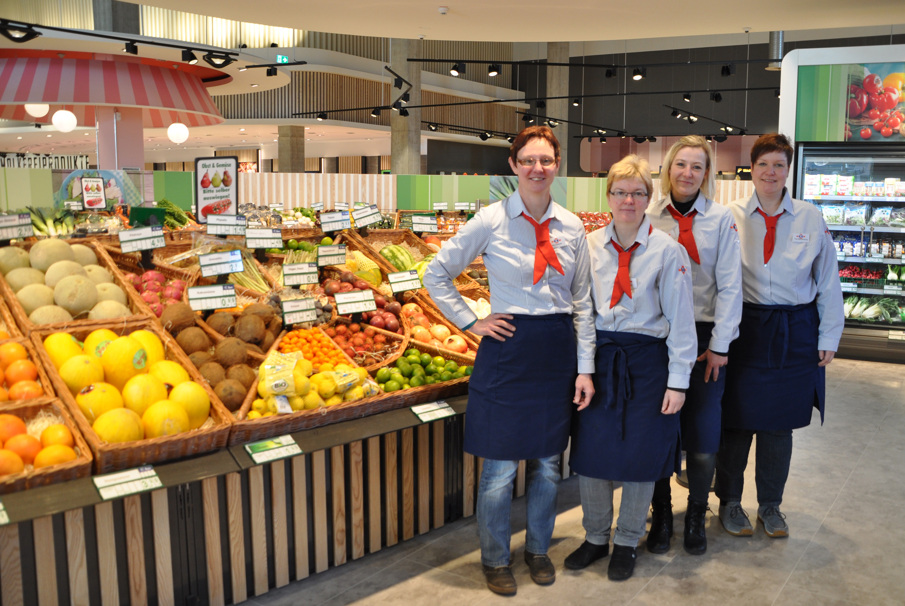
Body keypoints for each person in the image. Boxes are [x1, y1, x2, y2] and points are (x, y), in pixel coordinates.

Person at [423, 125, 596, 597]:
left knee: (546, 464)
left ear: (557, 165)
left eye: (546, 160)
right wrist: (468, 321)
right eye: (528, 161)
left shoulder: (573, 226)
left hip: (557, 350)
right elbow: (435, 272)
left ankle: (538, 550)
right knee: (499, 470)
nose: (538, 169)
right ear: (514, 166)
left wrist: (585, 367)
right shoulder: (490, 220)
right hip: (508, 350)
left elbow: (582, 302)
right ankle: (496, 557)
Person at [565, 154, 695, 582]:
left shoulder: (667, 251)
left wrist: (678, 382)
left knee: (640, 455)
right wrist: (585, 369)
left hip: (648, 362)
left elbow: (681, 321)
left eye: (637, 192)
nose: (628, 200)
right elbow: (582, 311)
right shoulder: (588, 245)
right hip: (602, 359)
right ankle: (596, 536)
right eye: (620, 192)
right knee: (592, 453)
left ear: (648, 198)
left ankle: (626, 540)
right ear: (609, 196)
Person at [716, 133, 844, 539]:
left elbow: (827, 281)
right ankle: (730, 503)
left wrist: (829, 336)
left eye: (779, 165)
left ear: (788, 171)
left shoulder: (810, 216)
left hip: (795, 331)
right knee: (735, 424)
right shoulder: (728, 215)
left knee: (779, 428)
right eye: (763, 164)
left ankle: (771, 506)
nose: (771, 172)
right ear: (751, 170)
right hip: (746, 329)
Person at [645, 135, 743, 555]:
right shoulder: (648, 215)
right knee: (659, 431)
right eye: (680, 164)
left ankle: (697, 512)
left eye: (697, 167)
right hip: (658, 336)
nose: (687, 173)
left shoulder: (721, 220)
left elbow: (731, 286)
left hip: (705, 337)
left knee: (703, 433)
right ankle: (662, 512)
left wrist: (720, 344)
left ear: (707, 174)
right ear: (668, 169)